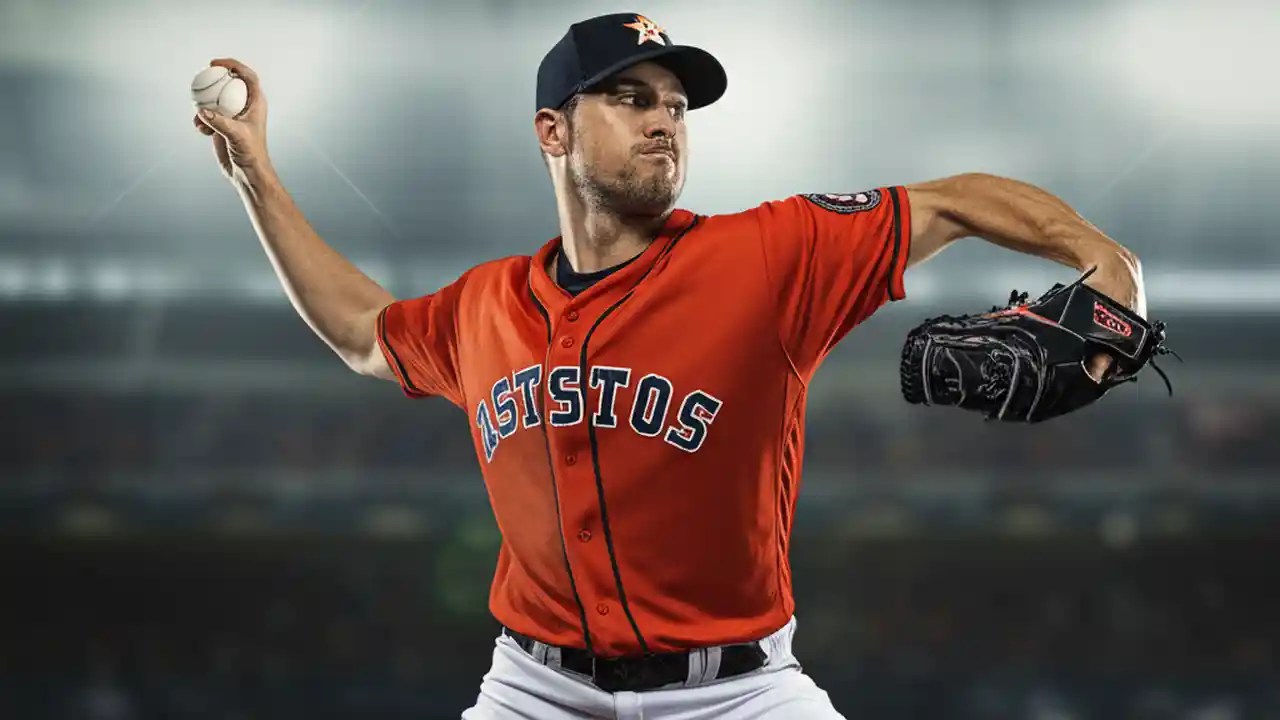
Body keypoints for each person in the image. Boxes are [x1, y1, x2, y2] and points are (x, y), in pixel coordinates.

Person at [192, 11, 1146, 719]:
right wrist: (255, 176)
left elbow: (955, 200)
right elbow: (364, 330)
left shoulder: (769, 256)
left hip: (740, 695)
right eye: (629, 97)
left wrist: (1110, 267)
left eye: (677, 105)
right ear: (552, 131)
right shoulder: (484, 305)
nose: (665, 122)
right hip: (534, 691)